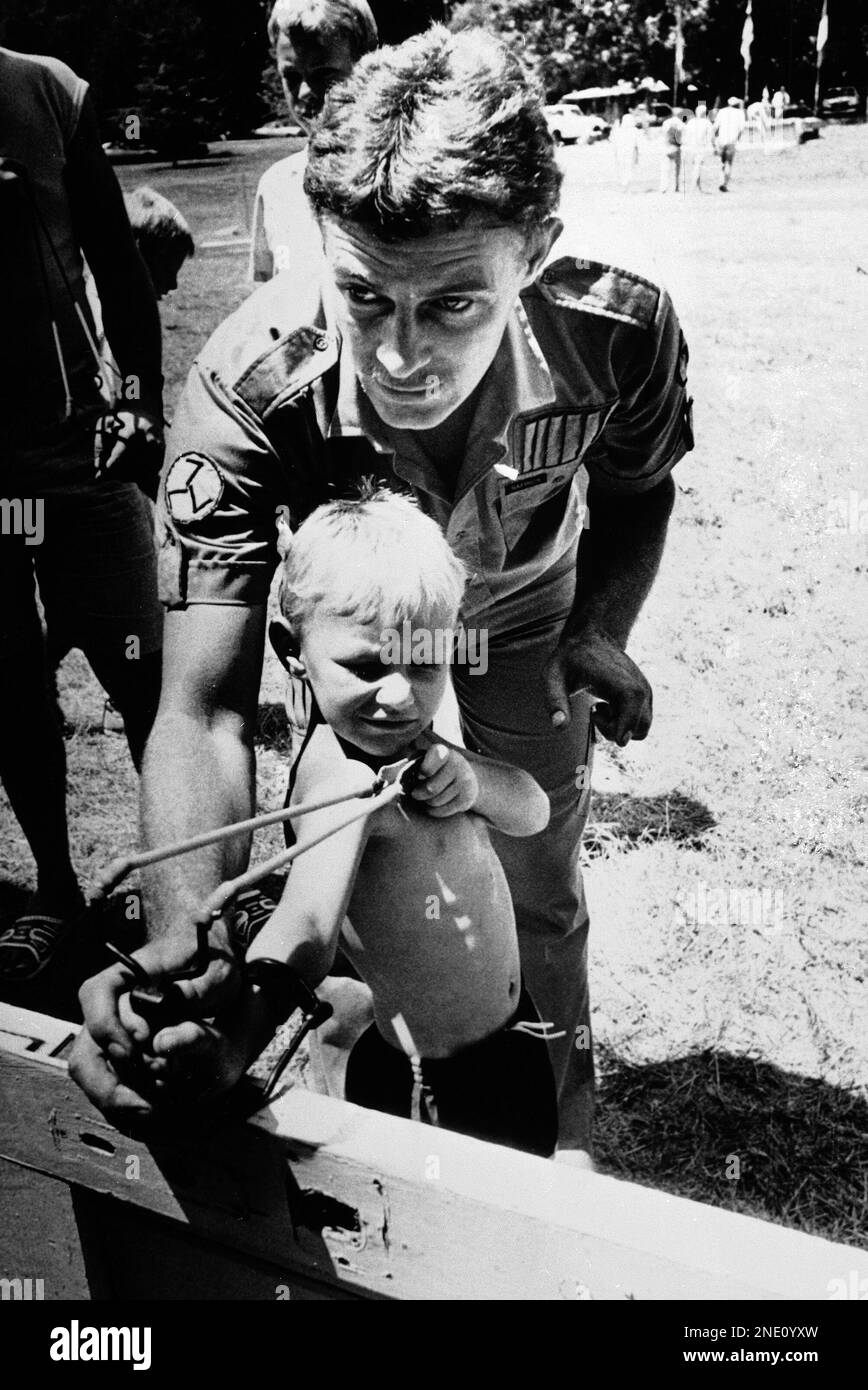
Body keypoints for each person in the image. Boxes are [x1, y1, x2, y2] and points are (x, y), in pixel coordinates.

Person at [71, 26, 694, 1162]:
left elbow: (640, 490)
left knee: (538, 880)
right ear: (321, 244)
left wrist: (601, 629)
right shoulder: (249, 384)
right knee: (356, 866)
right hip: (371, 632)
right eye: (365, 297)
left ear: (535, 249)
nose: (402, 354)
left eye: (455, 304)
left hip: (525, 620)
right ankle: (363, 1083)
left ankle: (562, 1134)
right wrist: (190, 951)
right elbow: (203, 704)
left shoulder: (620, 335)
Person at [138, 488, 558, 1154]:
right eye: (364, 667)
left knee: (527, 1205)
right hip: (439, 1081)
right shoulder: (344, 775)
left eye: (425, 662)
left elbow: (534, 810)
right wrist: (235, 1043)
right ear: (291, 649)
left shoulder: (413, 727)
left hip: (517, 1034)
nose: (397, 691)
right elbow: (306, 925)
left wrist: (473, 779)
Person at [0, 48, 164, 980]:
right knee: (10, 678)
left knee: (140, 667)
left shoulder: (45, 91)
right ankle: (54, 893)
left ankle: (187, 875)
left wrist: (139, 398)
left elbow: (117, 254)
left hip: (78, 453)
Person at [248, 0, 378, 283]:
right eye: (292, 77)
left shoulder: (403, 179)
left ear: (368, 66)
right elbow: (268, 302)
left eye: (324, 74)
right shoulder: (276, 187)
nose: (305, 92)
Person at [714, 97, 746, 191]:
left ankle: (720, 181)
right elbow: (741, 129)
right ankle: (724, 184)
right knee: (729, 163)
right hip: (732, 141)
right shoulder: (740, 113)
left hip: (721, 140)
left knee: (722, 162)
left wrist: (715, 139)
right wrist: (738, 140)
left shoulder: (722, 111)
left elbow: (716, 126)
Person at [683, 103, 714, 191]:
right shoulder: (707, 123)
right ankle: (693, 187)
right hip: (701, 148)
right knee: (698, 167)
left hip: (690, 147)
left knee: (695, 166)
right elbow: (710, 137)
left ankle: (698, 187)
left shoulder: (691, 122)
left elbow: (685, 135)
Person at [659, 109, 687, 194]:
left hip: (666, 147)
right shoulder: (681, 124)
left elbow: (663, 134)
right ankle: (675, 187)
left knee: (664, 169)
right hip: (675, 147)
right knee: (676, 169)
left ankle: (663, 187)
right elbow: (683, 137)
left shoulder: (666, 122)